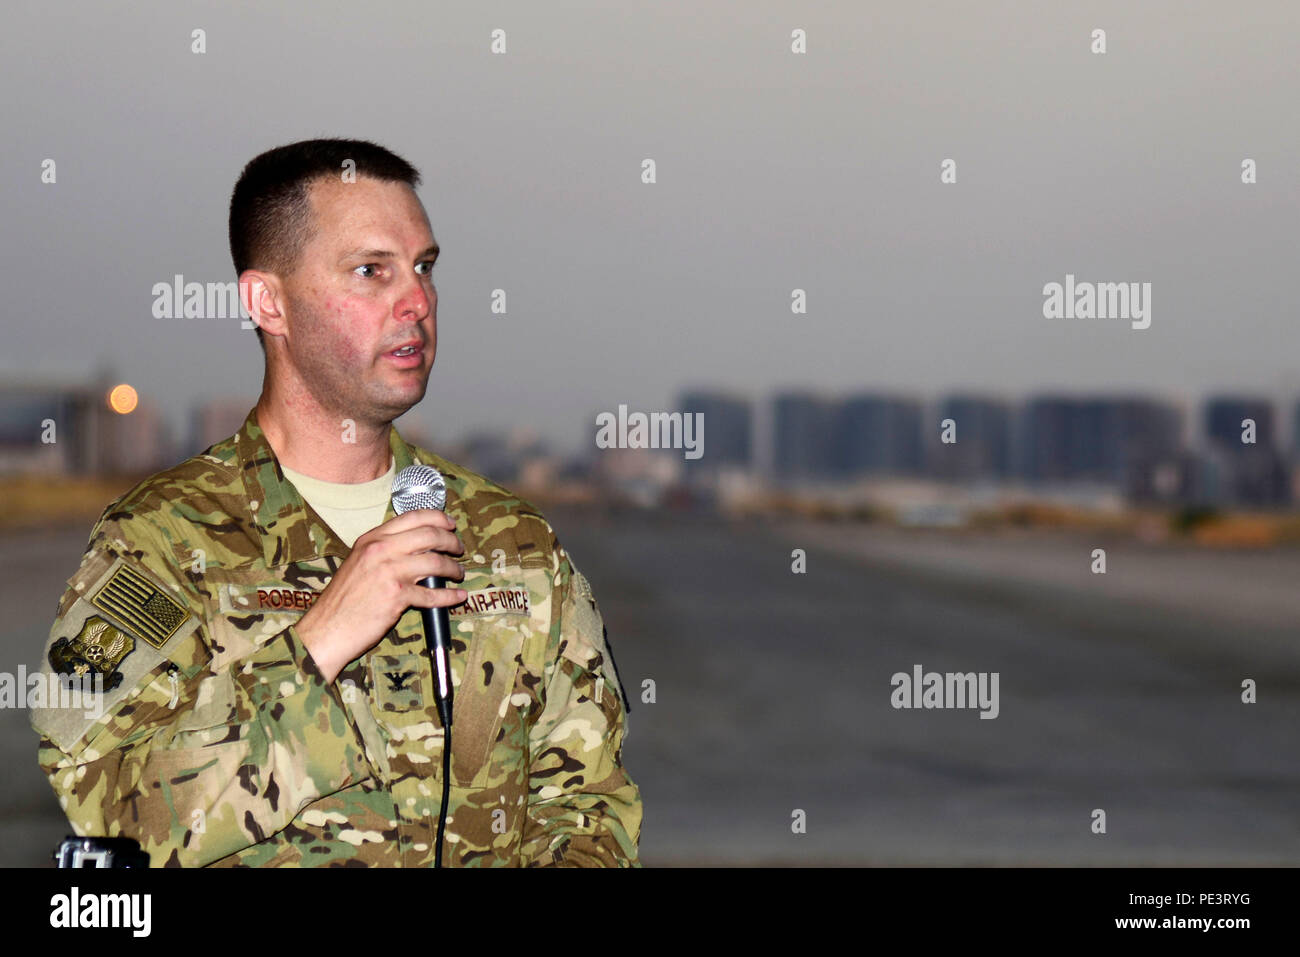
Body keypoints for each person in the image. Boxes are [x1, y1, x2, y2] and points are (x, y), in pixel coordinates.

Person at [30, 138, 642, 867]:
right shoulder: (160, 542)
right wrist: (316, 643)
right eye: (370, 271)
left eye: (423, 268)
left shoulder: (513, 541)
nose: (417, 300)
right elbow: (109, 808)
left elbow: (589, 807)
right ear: (269, 302)